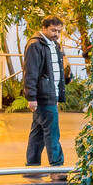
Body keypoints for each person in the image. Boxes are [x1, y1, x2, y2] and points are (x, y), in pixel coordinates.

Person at [23, 15, 67, 167]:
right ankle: (57, 165)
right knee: (52, 131)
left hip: (51, 94)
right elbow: (30, 72)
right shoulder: (35, 45)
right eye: (53, 30)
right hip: (44, 96)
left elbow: (55, 69)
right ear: (44, 28)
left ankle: (32, 163)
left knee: (38, 132)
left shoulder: (53, 45)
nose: (56, 34)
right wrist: (31, 97)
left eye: (59, 31)